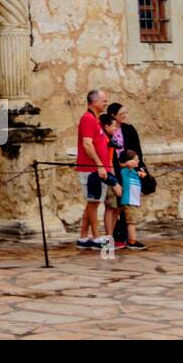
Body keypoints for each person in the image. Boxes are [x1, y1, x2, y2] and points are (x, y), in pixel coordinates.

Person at [75, 89, 113, 249]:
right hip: (91, 169)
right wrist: (99, 164)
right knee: (94, 201)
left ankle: (83, 236)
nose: (106, 103)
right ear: (95, 102)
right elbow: (87, 144)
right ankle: (96, 236)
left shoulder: (94, 119)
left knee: (93, 201)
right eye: (104, 100)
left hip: (96, 168)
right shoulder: (87, 119)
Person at [107, 103, 149, 243]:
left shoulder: (129, 130)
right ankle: (114, 233)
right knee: (116, 203)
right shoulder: (108, 130)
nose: (124, 116)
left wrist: (139, 168)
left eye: (125, 113)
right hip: (116, 170)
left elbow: (137, 151)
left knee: (128, 201)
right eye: (121, 113)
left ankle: (126, 233)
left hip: (129, 171)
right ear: (113, 116)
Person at [116, 148, 147, 250]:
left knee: (132, 220)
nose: (138, 161)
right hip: (129, 200)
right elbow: (119, 164)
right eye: (136, 159)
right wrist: (126, 164)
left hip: (134, 200)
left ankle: (130, 240)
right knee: (131, 221)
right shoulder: (126, 170)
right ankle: (132, 241)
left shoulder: (134, 171)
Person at [101, 113, 124, 245]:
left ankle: (111, 236)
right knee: (111, 206)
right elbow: (108, 162)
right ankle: (108, 237)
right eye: (114, 125)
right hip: (109, 176)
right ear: (107, 126)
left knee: (117, 207)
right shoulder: (105, 140)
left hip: (114, 174)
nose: (116, 128)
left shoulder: (109, 139)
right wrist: (114, 181)